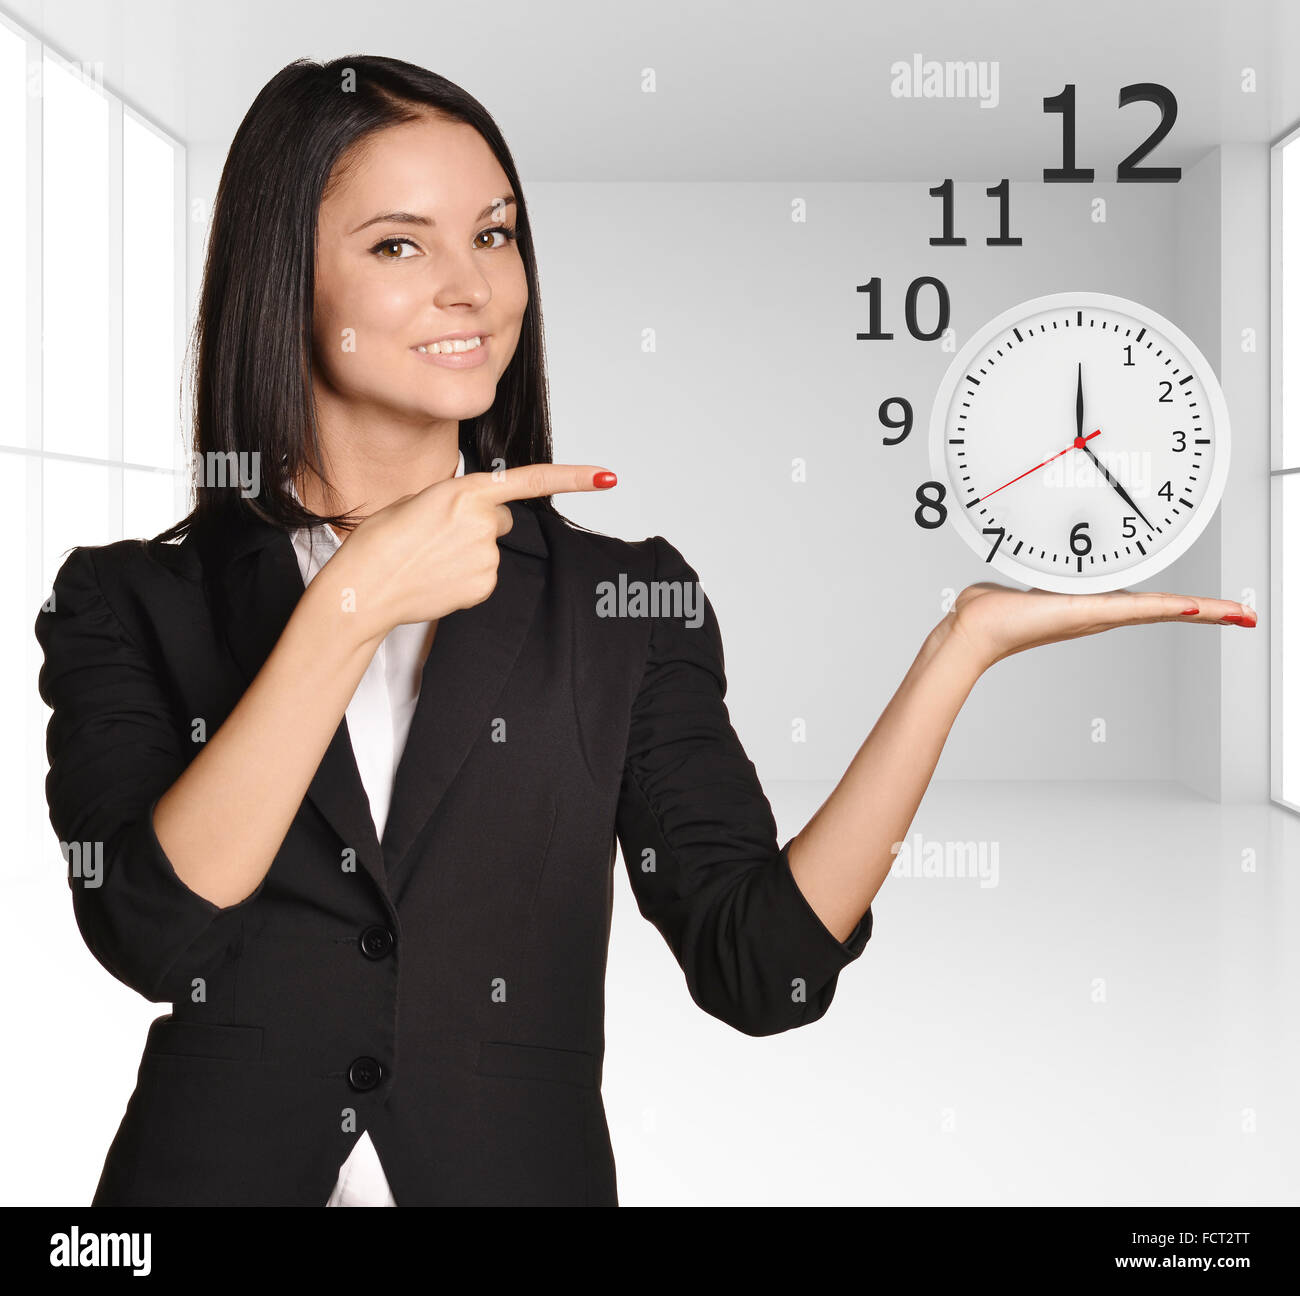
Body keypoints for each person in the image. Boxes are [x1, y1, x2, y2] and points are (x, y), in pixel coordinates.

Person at [34, 54, 1257, 1208]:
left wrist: (958, 655)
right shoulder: (126, 600)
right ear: (280, 277)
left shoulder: (625, 602)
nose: (473, 287)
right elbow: (154, 930)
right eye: (399, 244)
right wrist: (348, 608)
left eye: (495, 233)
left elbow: (759, 970)